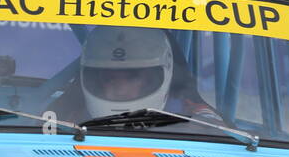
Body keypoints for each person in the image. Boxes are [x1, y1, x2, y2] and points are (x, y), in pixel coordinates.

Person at [53, 26, 225, 125]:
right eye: (109, 77)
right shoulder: (65, 118)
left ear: (157, 76)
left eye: (132, 77)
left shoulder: (200, 122)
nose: (119, 88)